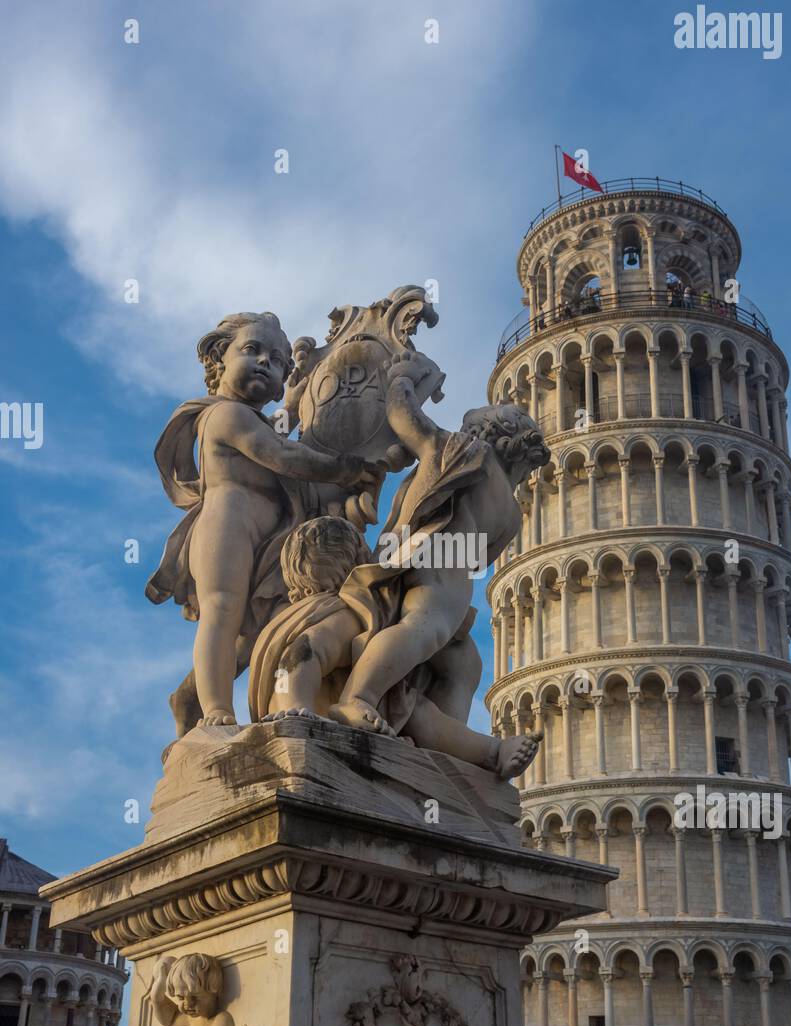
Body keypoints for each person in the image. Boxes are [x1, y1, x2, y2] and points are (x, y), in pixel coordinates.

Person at [145, 312, 378, 731]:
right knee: (222, 609)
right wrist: (343, 470)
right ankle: (216, 708)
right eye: (252, 350)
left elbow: (279, 432)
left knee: (253, 636)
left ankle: (188, 698)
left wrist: (296, 396)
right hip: (227, 526)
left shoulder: (257, 421)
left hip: (272, 538)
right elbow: (284, 456)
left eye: (276, 360)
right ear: (219, 357)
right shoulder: (224, 416)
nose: (265, 362)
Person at [329, 354, 550, 745]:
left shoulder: (467, 453)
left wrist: (404, 381)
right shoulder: (507, 502)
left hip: (430, 560)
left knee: (463, 663)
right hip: (445, 572)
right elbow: (482, 557)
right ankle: (357, 697)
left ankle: (440, 742)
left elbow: (409, 422)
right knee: (426, 629)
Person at [248, 516, 541, 779]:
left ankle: (491, 753)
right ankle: (491, 752)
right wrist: (296, 708)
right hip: (317, 713)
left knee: (414, 708)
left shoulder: (343, 615)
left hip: (356, 712)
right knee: (419, 714)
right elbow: (299, 657)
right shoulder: (344, 613)